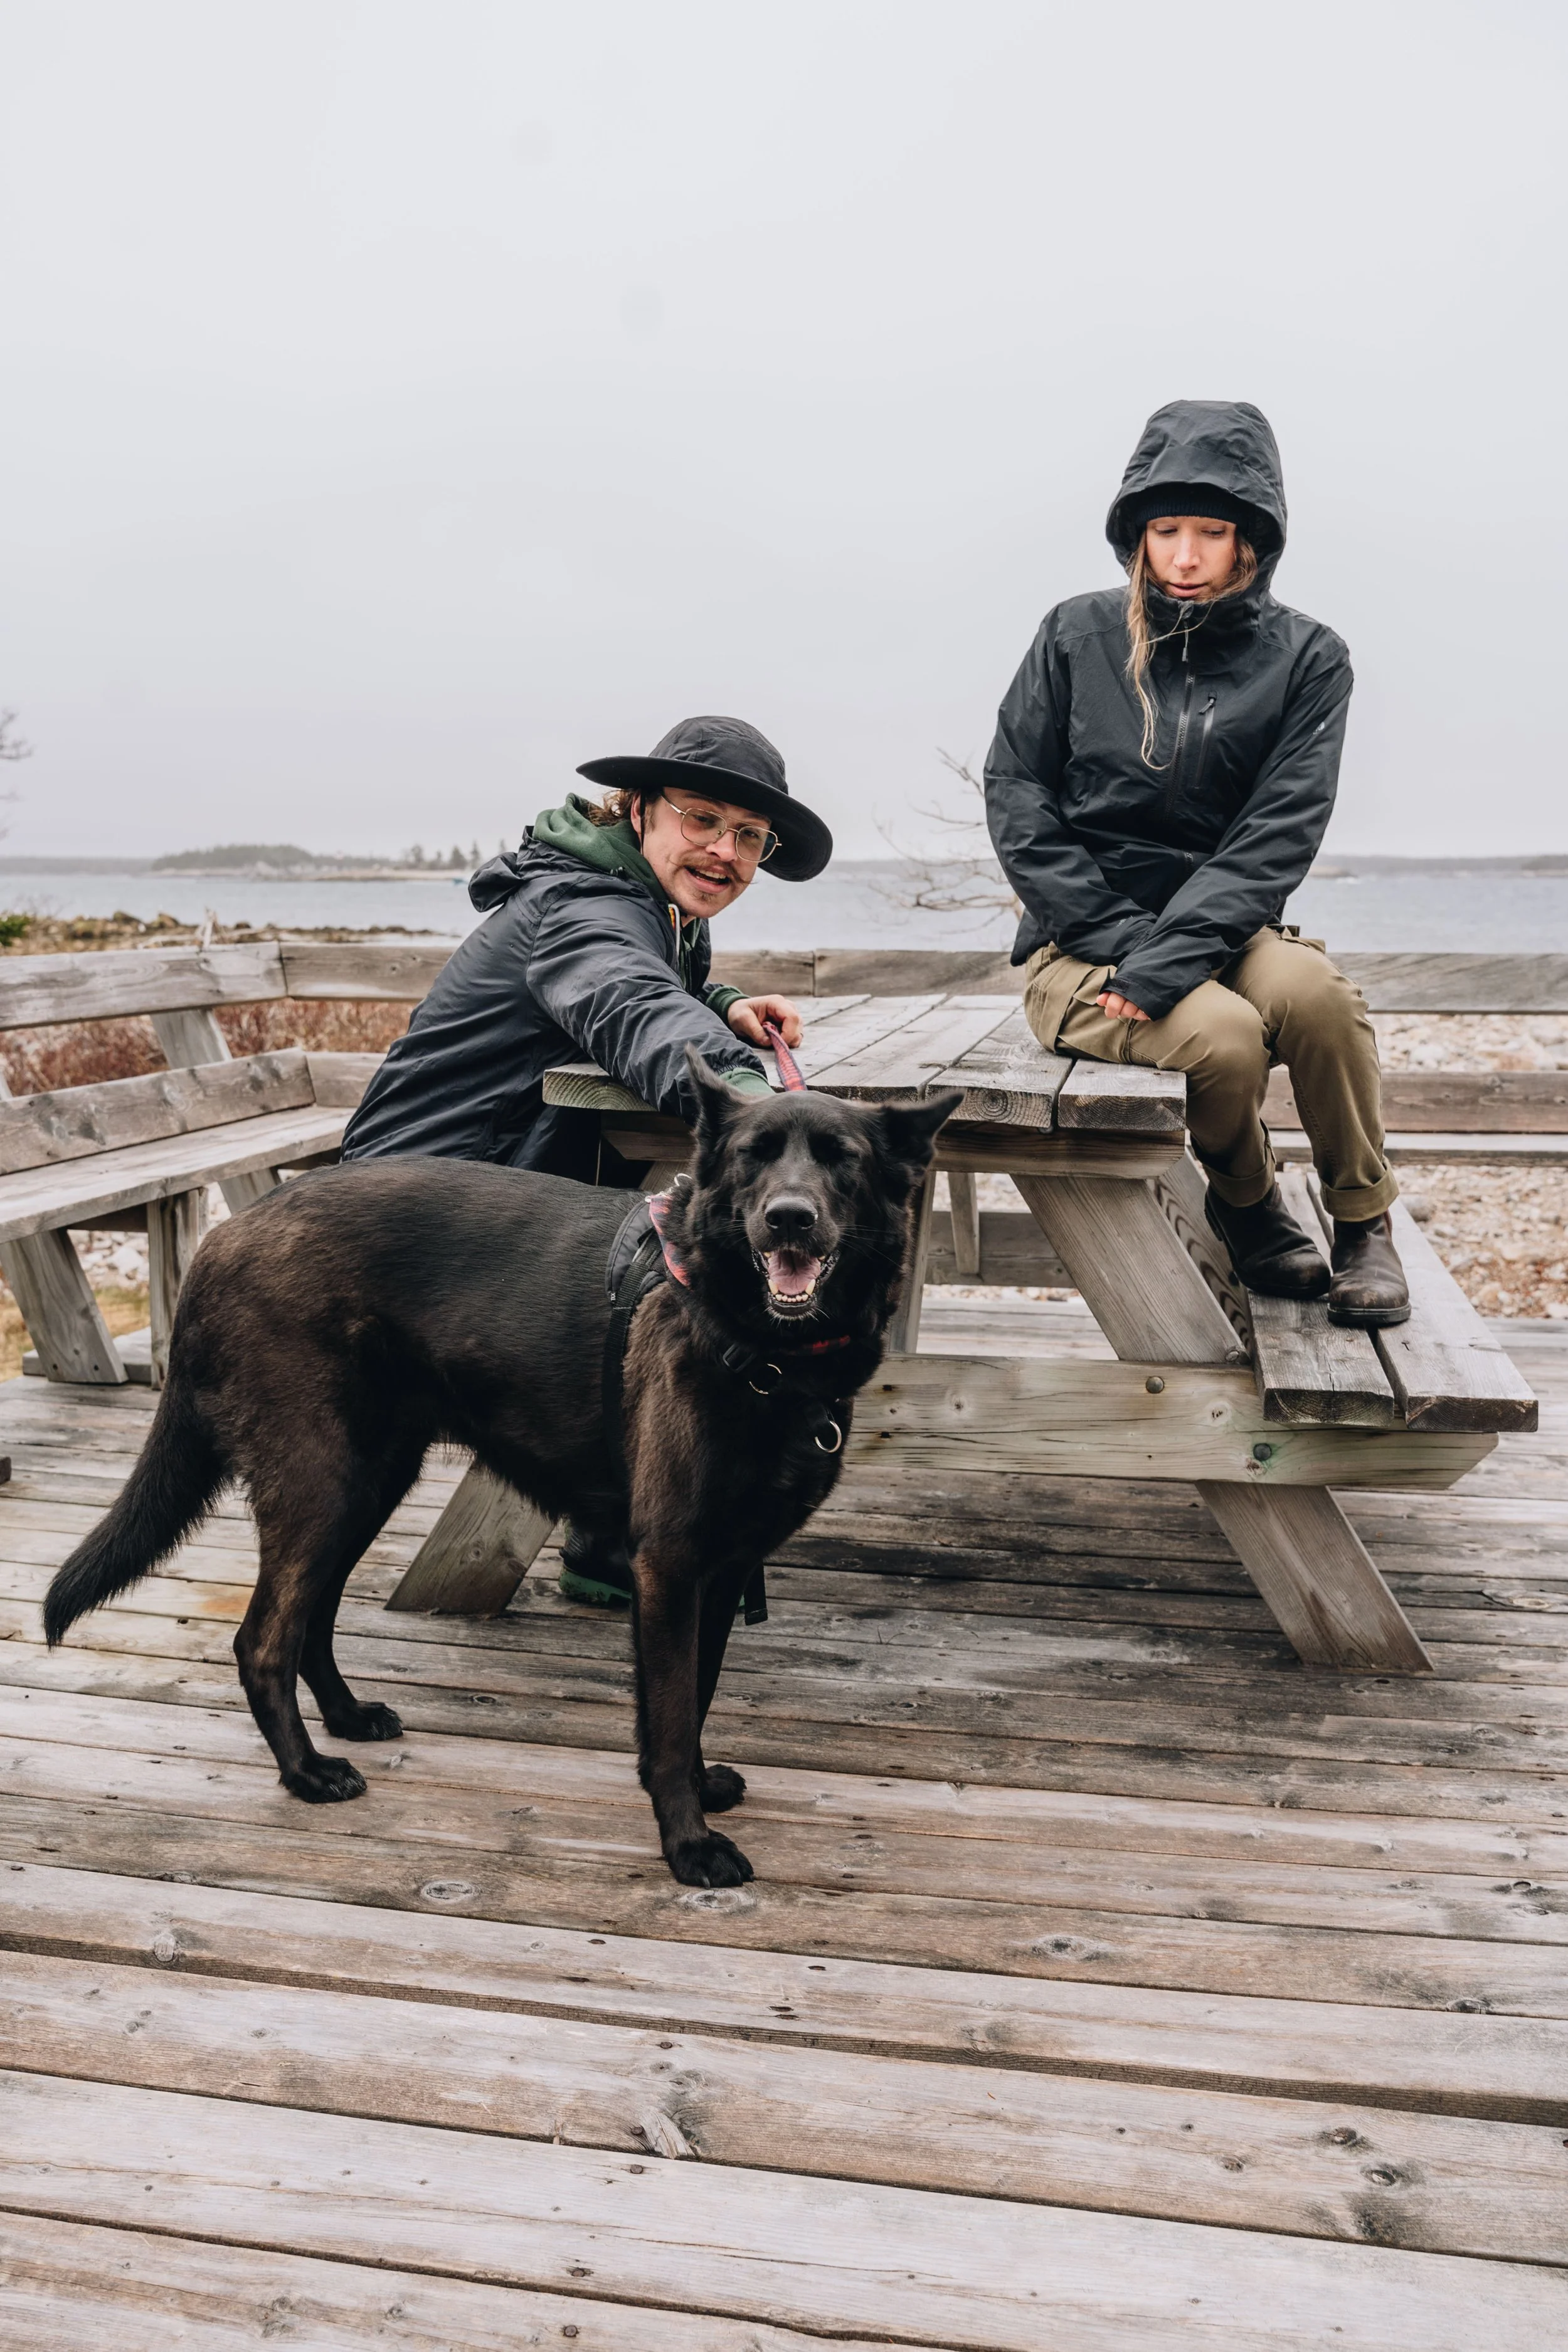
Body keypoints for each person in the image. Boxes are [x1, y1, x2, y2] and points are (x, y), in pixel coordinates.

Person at [342, 711, 834, 1599]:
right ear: (640, 809)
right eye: (702, 819)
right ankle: (619, 1539)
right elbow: (629, 1002)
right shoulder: (587, 906)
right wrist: (756, 1108)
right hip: (411, 1217)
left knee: (663, 1270)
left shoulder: (641, 901)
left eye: (749, 835)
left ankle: (615, 1536)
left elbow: (657, 983)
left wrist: (720, 1000)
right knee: (674, 1291)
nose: (725, 851)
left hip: (487, 1185)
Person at [983, 399, 1407, 1327]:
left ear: (1248, 538)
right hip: (1083, 941)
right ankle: (1249, 1204)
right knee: (1220, 1038)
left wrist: (1169, 954)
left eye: (1209, 532)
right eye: (1165, 530)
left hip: (1226, 925)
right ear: (1136, 532)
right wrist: (1121, 940)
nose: (1182, 555)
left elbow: (1278, 831)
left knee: (1322, 1000)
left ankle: (1364, 1223)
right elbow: (1017, 795)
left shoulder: (1309, 659)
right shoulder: (1072, 636)